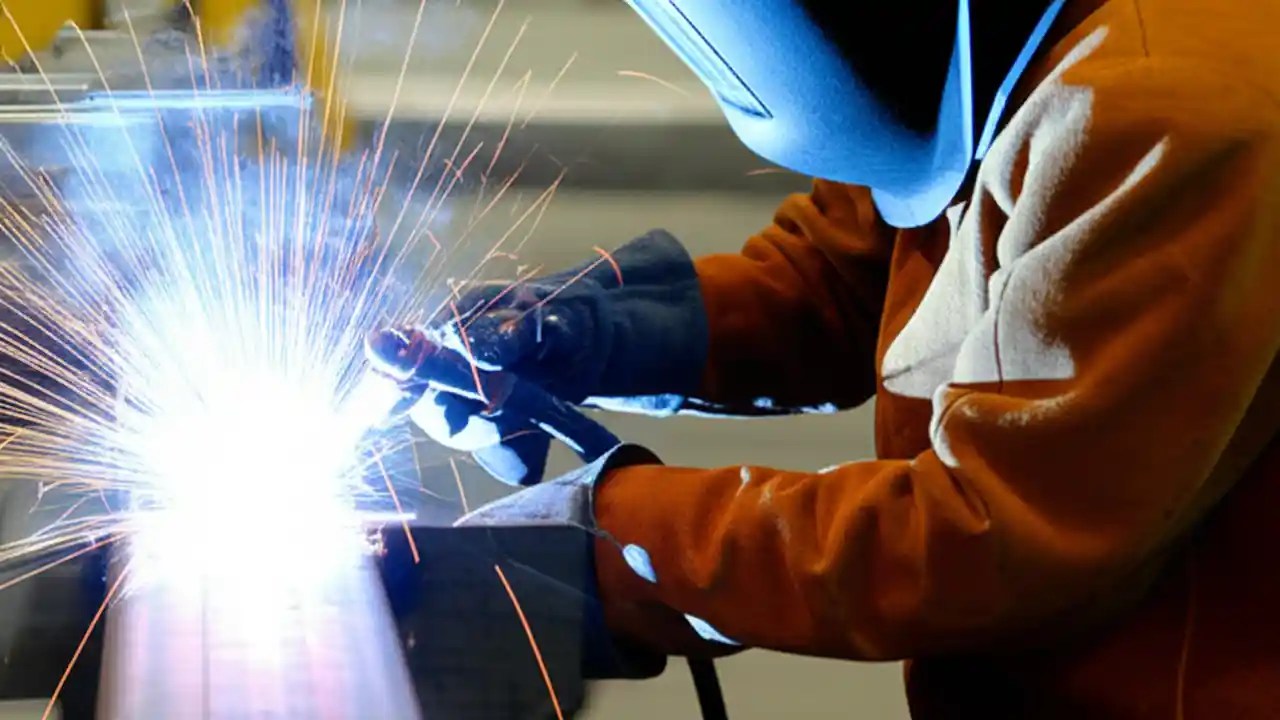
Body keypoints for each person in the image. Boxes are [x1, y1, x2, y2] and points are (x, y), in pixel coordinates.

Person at [374, 0, 1280, 716]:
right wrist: (584, 333)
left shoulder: (1168, 111)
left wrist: (616, 538)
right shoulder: (971, 39)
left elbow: (987, 533)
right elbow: (846, 277)